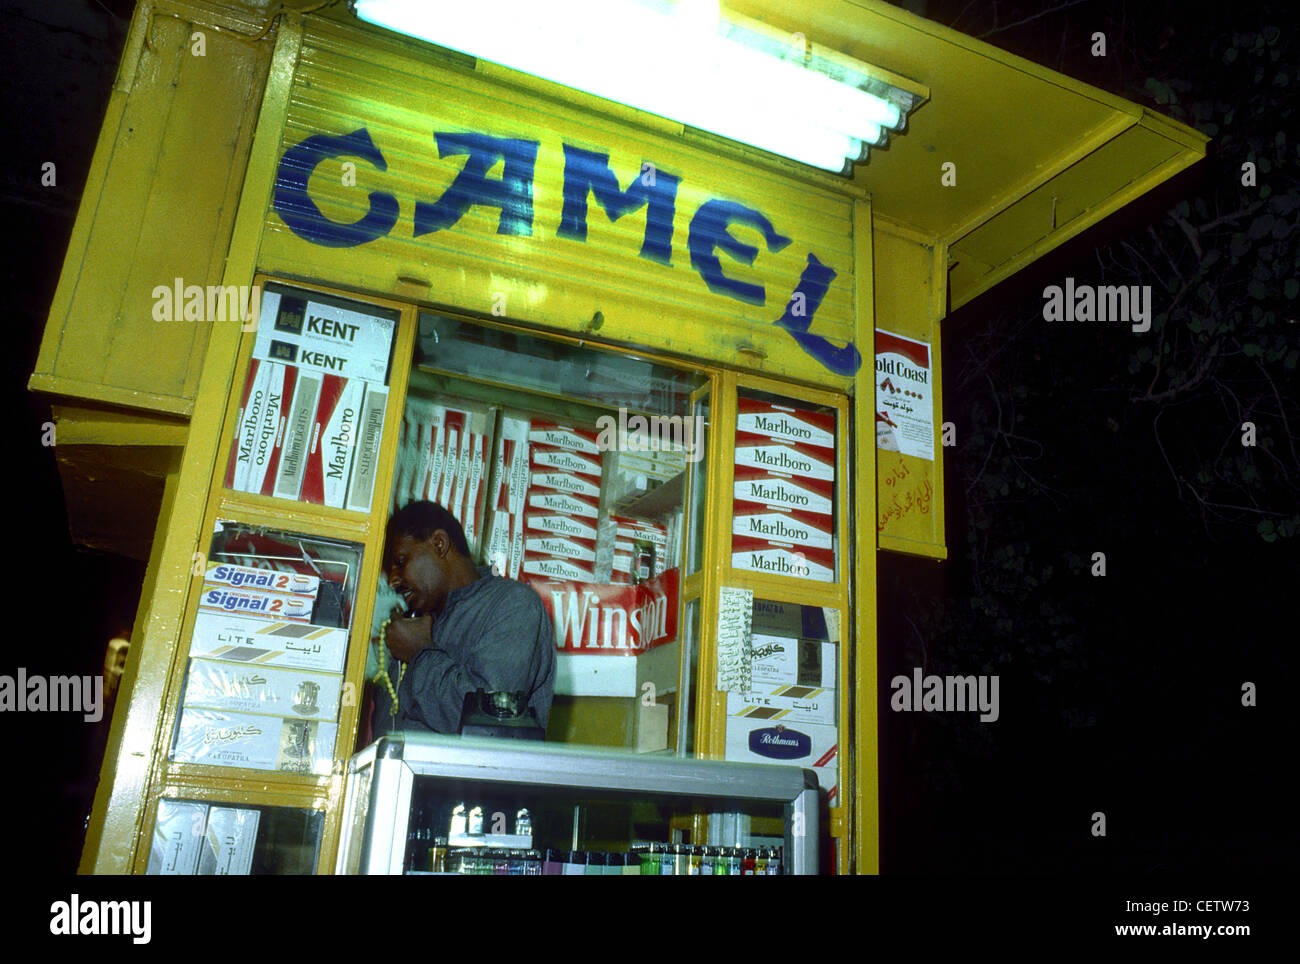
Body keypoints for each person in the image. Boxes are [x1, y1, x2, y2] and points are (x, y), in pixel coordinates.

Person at [374, 501, 556, 737]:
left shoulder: (513, 605)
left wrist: (421, 654)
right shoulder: (418, 618)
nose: (393, 582)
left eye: (400, 562)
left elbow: (487, 726)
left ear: (439, 544)